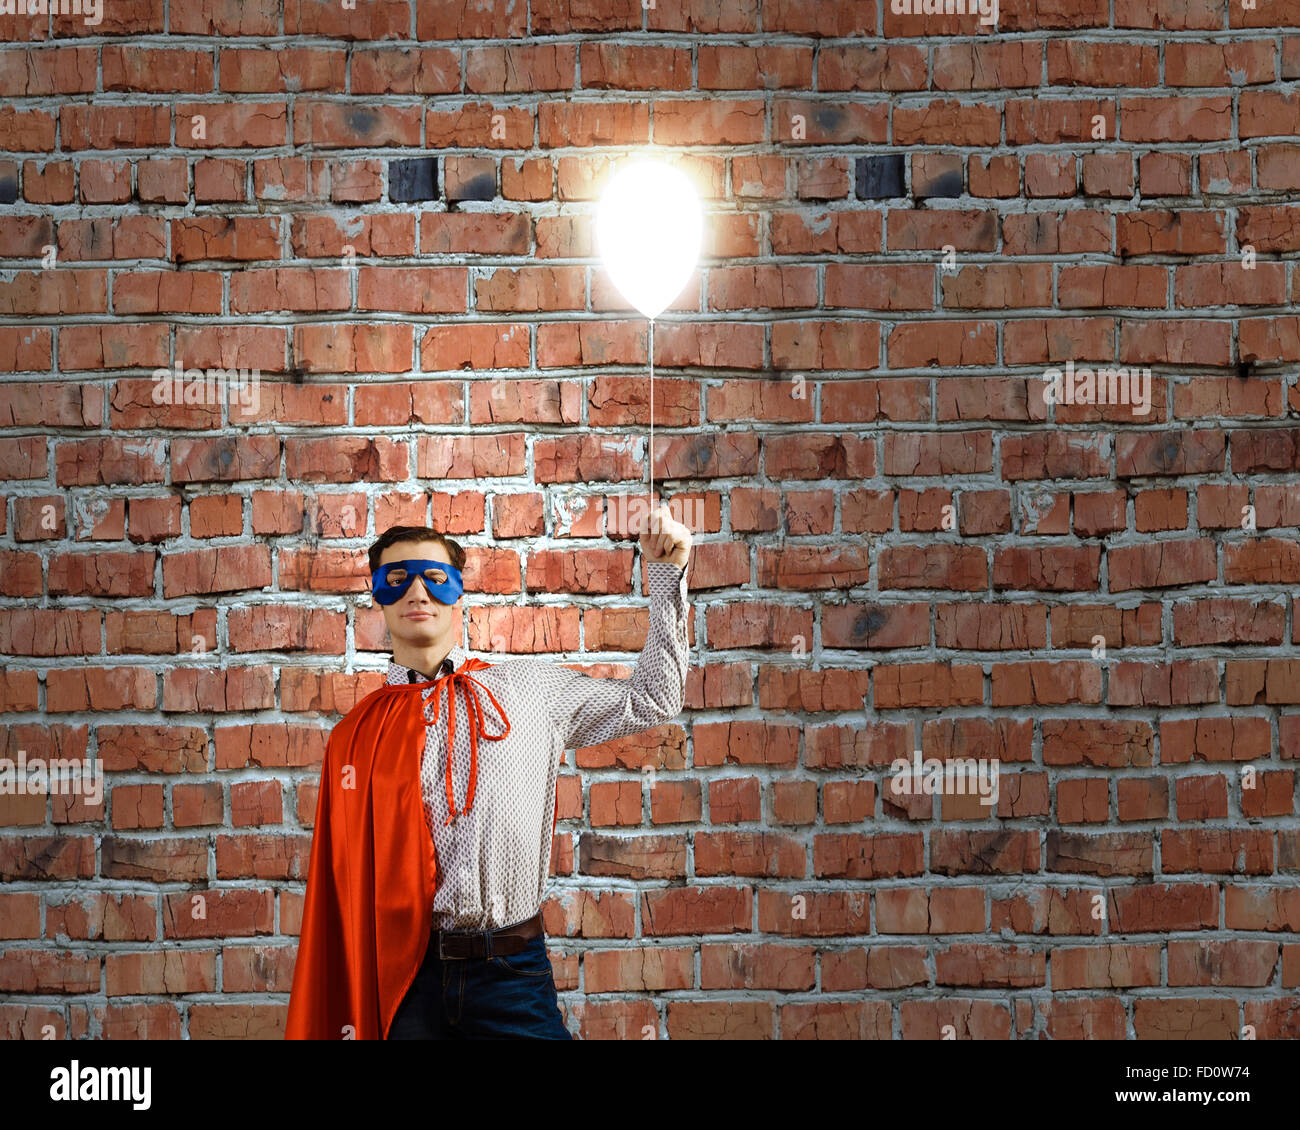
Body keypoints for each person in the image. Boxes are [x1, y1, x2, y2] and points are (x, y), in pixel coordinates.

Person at [285, 502, 692, 1039]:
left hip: (512, 973)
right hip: (406, 980)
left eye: (434, 577)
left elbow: (655, 700)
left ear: (459, 592)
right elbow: (343, 895)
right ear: (377, 597)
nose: (417, 592)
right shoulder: (356, 736)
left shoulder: (530, 692)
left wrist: (666, 575)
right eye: (396, 579)